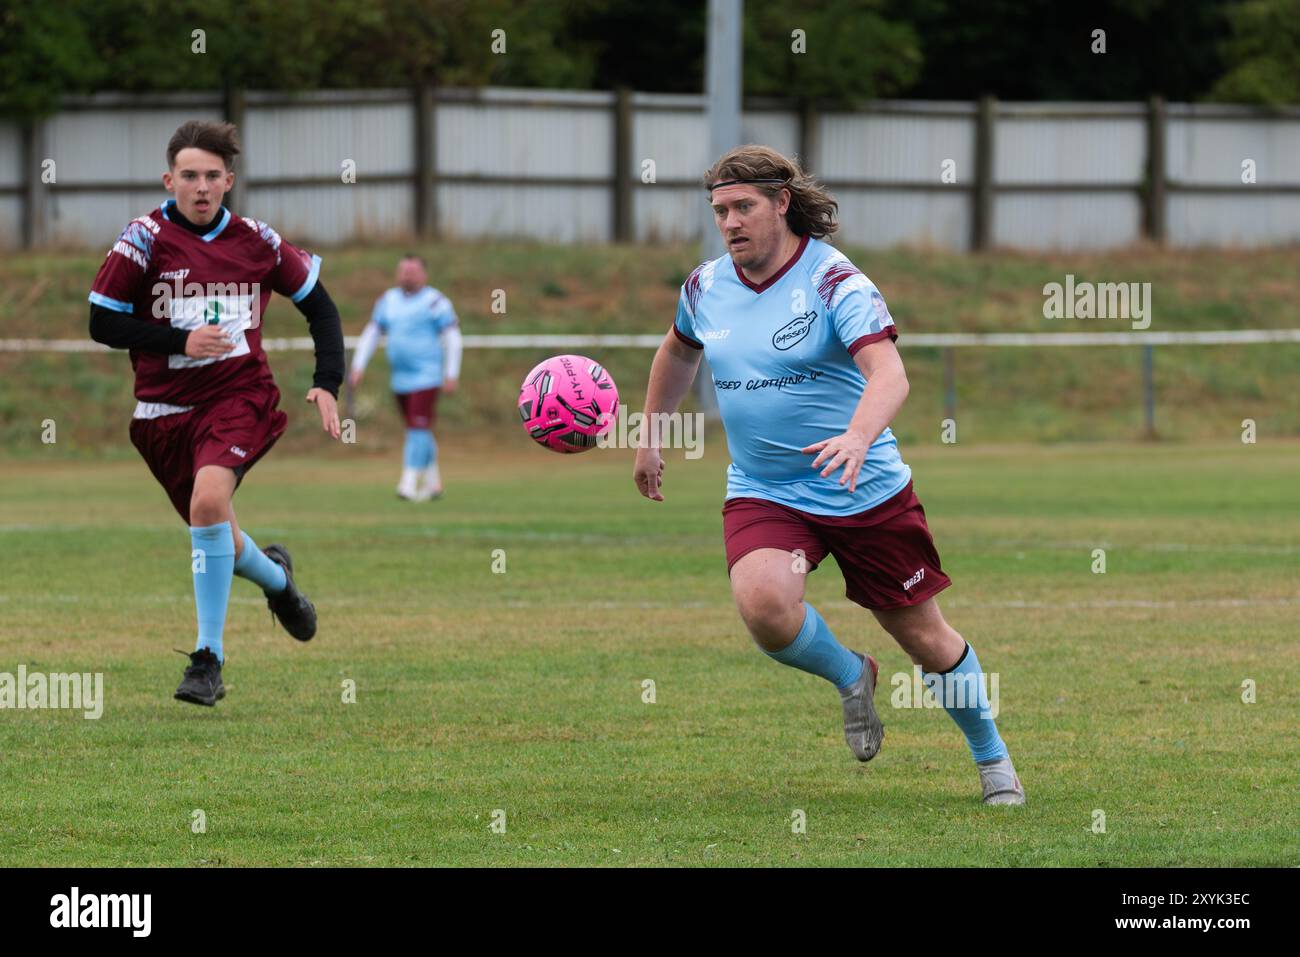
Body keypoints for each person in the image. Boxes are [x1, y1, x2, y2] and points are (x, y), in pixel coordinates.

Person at [633, 145, 1024, 805]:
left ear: (782, 202)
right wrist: (651, 433)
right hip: (766, 488)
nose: (730, 222)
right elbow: (678, 349)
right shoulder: (705, 286)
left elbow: (889, 372)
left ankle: (993, 760)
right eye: (720, 211)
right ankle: (852, 674)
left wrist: (857, 435)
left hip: (861, 485)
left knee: (924, 636)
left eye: (744, 207)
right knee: (763, 605)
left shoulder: (835, 280)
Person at [88, 120, 345, 707]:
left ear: (228, 180)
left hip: (240, 398)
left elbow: (321, 309)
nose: (200, 187)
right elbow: (102, 322)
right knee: (218, 533)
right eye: (189, 176)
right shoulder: (143, 238)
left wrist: (326, 381)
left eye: (211, 176)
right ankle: (280, 582)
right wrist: (180, 340)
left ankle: (208, 660)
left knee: (207, 504)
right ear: (168, 179)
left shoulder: (257, 241)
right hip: (161, 415)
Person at [348, 255, 462, 501]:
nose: (407, 276)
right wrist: (358, 365)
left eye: (412, 271)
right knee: (419, 428)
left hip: (427, 376)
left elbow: (453, 337)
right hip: (400, 378)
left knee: (417, 428)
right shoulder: (388, 300)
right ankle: (433, 483)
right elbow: (372, 332)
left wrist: (451, 372)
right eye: (403, 271)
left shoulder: (436, 302)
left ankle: (408, 484)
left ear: (424, 274)